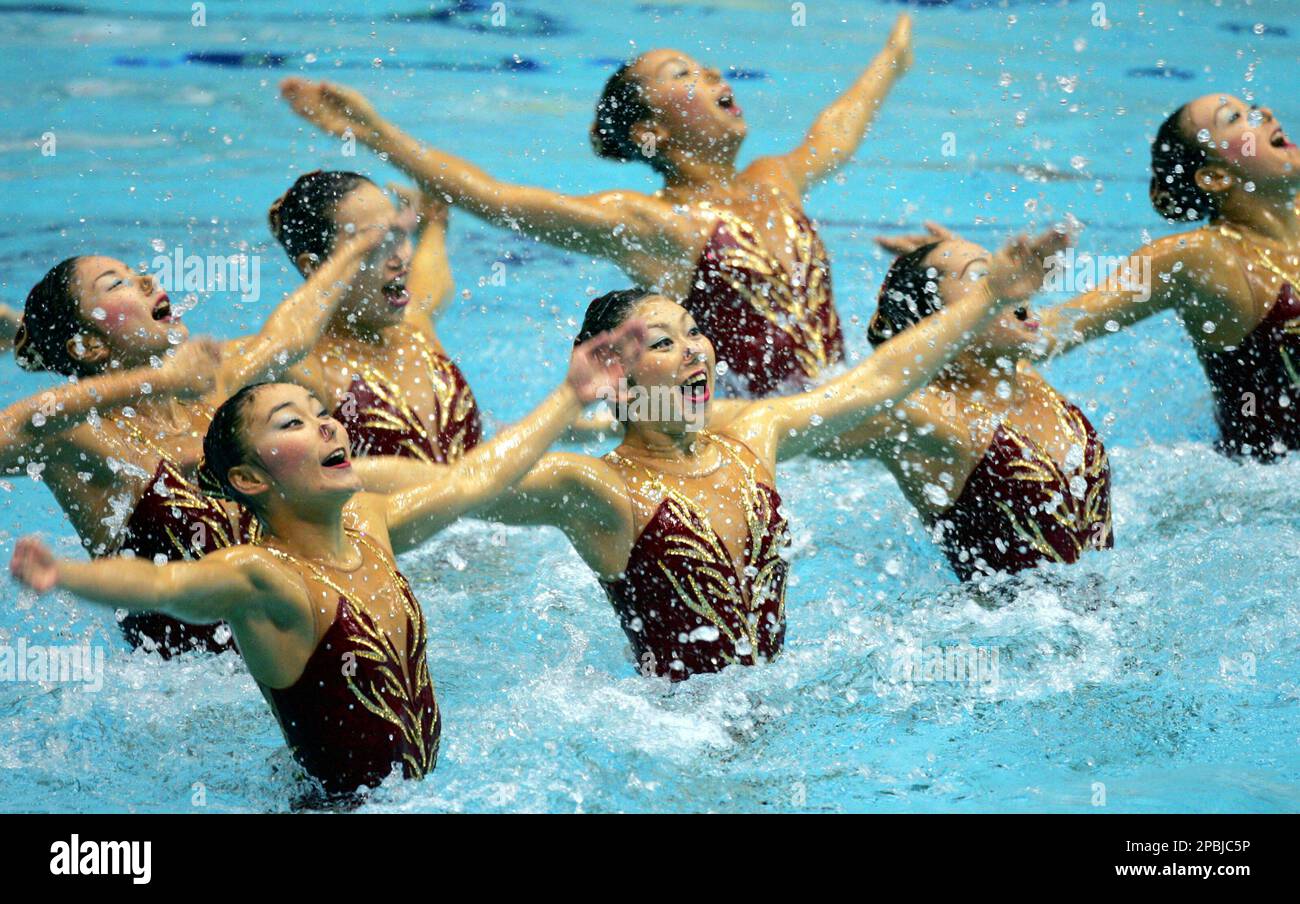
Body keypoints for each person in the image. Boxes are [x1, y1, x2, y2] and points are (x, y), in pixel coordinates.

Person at [8, 320, 643, 801]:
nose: (328, 427)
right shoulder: (267, 580)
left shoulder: (370, 521)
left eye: (322, 414)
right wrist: (66, 574)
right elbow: (163, 582)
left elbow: (472, 482)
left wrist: (570, 395)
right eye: (293, 424)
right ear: (251, 479)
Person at [478, 229, 1066, 679]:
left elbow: (878, 382)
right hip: (677, 746)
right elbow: (465, 487)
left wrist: (991, 294)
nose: (694, 352)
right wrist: (567, 399)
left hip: (779, 720)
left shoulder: (751, 437)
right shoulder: (600, 489)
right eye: (663, 343)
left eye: (693, 332)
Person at [279, 14, 915, 396]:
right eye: (683, 74)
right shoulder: (648, 222)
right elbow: (498, 199)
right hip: (755, 427)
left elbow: (837, 130)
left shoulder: (776, 178)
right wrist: (373, 132)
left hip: (837, 402)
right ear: (649, 133)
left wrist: (893, 57)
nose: (714, 74)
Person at [3, 226, 391, 655]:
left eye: (136, 272)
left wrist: (355, 248)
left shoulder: (212, 390)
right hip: (189, 691)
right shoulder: (81, 440)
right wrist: (159, 380)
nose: (148, 280)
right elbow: (19, 426)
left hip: (288, 653)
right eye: (117, 283)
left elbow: (288, 337)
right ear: (89, 344)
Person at [883, 94, 1300, 461]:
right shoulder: (1200, 259)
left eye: (1251, 107)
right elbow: (1057, 330)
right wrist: (986, 292)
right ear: (1214, 177)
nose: (1263, 113)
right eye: (1236, 118)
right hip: (1268, 487)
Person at [822, 239, 1111, 581]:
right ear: (942, 319)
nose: (1014, 289)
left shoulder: (1022, 377)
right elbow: (816, 426)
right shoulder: (933, 418)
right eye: (984, 277)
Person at [268, 171, 482, 463]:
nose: (399, 259)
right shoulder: (304, 371)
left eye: (398, 235)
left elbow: (433, 281)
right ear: (316, 267)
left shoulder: (414, 325)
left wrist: (435, 218)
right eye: (375, 245)